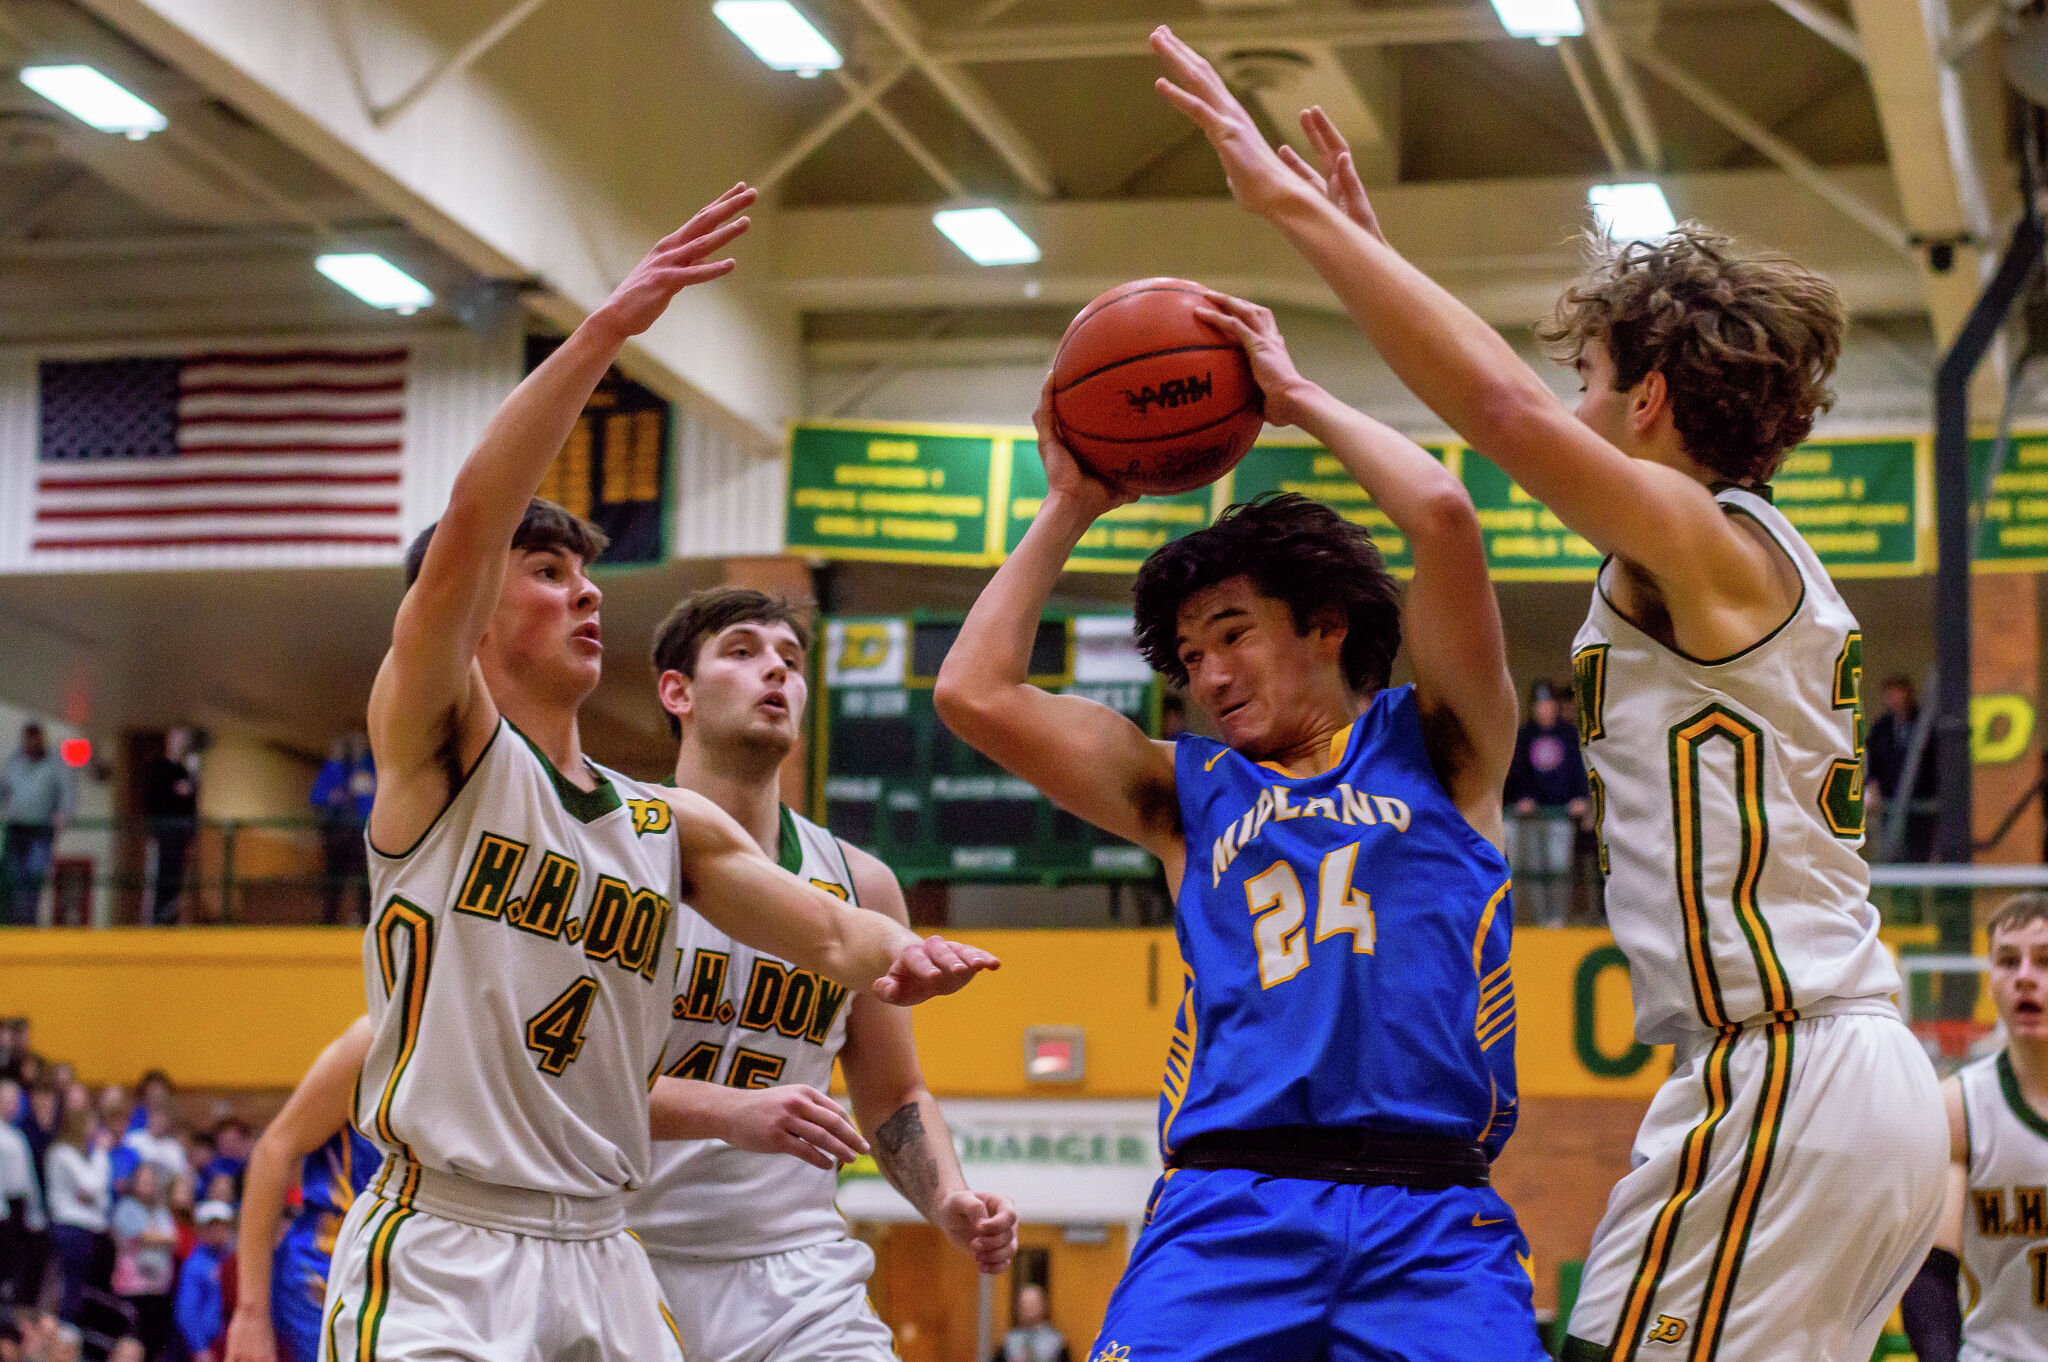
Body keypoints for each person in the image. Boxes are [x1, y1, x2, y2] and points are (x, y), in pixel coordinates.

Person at [1145, 33, 1949, 1358]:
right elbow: (1507, 405)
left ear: (1645, 399)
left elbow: (1498, 415)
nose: (1564, 406)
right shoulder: (1748, 561)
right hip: (1835, 1078)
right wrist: (1374, 262)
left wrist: (1290, 216)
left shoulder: (1703, 541)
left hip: (1784, 1071)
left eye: (1587, 380)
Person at [331, 184, 996, 1362]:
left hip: (602, 1253)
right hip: (447, 1239)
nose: (583, 591)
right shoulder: (440, 757)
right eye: (545, 572)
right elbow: (469, 522)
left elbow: (835, 941)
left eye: (587, 578)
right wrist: (601, 337)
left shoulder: (664, 825)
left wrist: (911, 956)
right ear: (476, 610)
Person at [936, 299, 1538, 1359]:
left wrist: (1295, 399)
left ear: (1323, 624)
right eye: (1187, 654)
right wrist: (1068, 506)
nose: (1207, 674)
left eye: (1230, 635)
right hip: (1229, 1208)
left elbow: (1441, 513)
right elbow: (972, 694)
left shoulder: (1441, 745)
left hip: (1432, 1215)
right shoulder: (1184, 789)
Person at [625, 589, 1020, 1362]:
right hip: (623, 1250)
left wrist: (948, 1198)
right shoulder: (614, 853)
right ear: (678, 692)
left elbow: (893, 1093)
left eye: (791, 660)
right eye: (742, 652)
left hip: (796, 1270)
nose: (775, 668)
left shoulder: (858, 882)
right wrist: (729, 1112)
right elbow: (557, 1081)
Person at [1898, 894, 2048, 1362]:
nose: (2025, 975)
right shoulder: (1958, 1107)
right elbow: (1930, 1272)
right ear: (1990, 983)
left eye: (2045, 961)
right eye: (2008, 961)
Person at [224, 1019, 377, 1362]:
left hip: (422, 1279)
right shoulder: (374, 1039)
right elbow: (273, 1151)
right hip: (330, 1281)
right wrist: (251, 1313)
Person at [1502, 679, 1590, 927]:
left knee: (1559, 866)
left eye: (1548, 703)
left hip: (1560, 814)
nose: (1545, 709)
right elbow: (1518, 773)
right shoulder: (1525, 735)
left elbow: (1577, 769)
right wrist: (1524, 798)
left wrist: (1580, 797)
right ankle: (1542, 921)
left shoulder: (1568, 735)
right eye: (1540, 704)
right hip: (1534, 815)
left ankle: (1558, 920)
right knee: (1534, 868)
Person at [0, 725, 73, 928]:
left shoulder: (54, 764)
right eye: (28, 740)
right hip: (16, 829)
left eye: (36, 739)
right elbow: (3, 788)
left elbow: (66, 793)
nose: (32, 744)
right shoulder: (14, 762)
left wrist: (64, 814)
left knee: (33, 876)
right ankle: (15, 925)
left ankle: (27, 924)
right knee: (14, 877)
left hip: (40, 831)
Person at [42, 1107, 109, 1324]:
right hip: (69, 1229)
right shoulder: (62, 1153)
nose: (95, 1131)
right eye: (91, 1125)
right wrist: (101, 1152)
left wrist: (91, 1195)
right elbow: (93, 1186)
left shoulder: (82, 1157)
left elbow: (101, 1199)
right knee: (67, 1290)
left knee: (80, 1291)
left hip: (85, 1230)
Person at [1866, 675, 1937, 863]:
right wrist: (1872, 789)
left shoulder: (1925, 725)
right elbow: (1872, 763)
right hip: (1890, 801)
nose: (1894, 700)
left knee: (1918, 852)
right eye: (1890, 695)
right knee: (1893, 852)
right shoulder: (1881, 728)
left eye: (1898, 694)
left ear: (1909, 694)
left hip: (1921, 801)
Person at [108, 1166, 175, 1360]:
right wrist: (161, 1237)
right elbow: (146, 1236)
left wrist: (159, 1237)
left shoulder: (162, 1212)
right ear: (134, 1182)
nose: (148, 1185)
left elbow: (173, 1239)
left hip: (158, 1291)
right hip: (131, 1290)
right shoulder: (126, 1207)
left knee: (153, 1347)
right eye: (143, 1180)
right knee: (130, 1346)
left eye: (151, 1181)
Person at [310, 735, 375, 926]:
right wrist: (333, 796)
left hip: (361, 834)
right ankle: (328, 922)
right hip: (338, 835)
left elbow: (377, 797)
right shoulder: (333, 767)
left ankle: (366, 920)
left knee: (365, 883)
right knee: (333, 881)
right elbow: (317, 796)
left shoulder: (370, 767)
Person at [140, 734, 198, 927]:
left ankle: (168, 916)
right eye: (176, 740)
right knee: (158, 876)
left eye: (182, 741)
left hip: (178, 838)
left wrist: (190, 835)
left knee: (174, 878)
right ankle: (154, 918)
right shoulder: (158, 769)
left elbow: (190, 806)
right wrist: (176, 791)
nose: (179, 745)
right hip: (162, 835)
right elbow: (152, 799)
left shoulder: (183, 771)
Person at [0, 1080, 46, 1306]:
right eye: (6, 1100)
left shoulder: (18, 1135)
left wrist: (35, 1214)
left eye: (15, 1101)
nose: (11, 1105)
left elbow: (28, 1179)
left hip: (20, 1207)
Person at [174, 1201, 234, 1362]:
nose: (218, 1231)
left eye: (222, 1225)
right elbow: (186, 1311)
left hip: (230, 1342)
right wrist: (200, 1348)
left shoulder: (232, 1260)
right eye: (211, 1226)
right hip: (208, 1345)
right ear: (201, 1229)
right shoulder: (194, 1264)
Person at [989, 1284, 1070, 1362]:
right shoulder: (1006, 1342)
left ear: (1044, 1305)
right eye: (1024, 1303)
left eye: (1033, 1303)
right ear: (1017, 1307)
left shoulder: (1058, 1342)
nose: (1028, 1307)